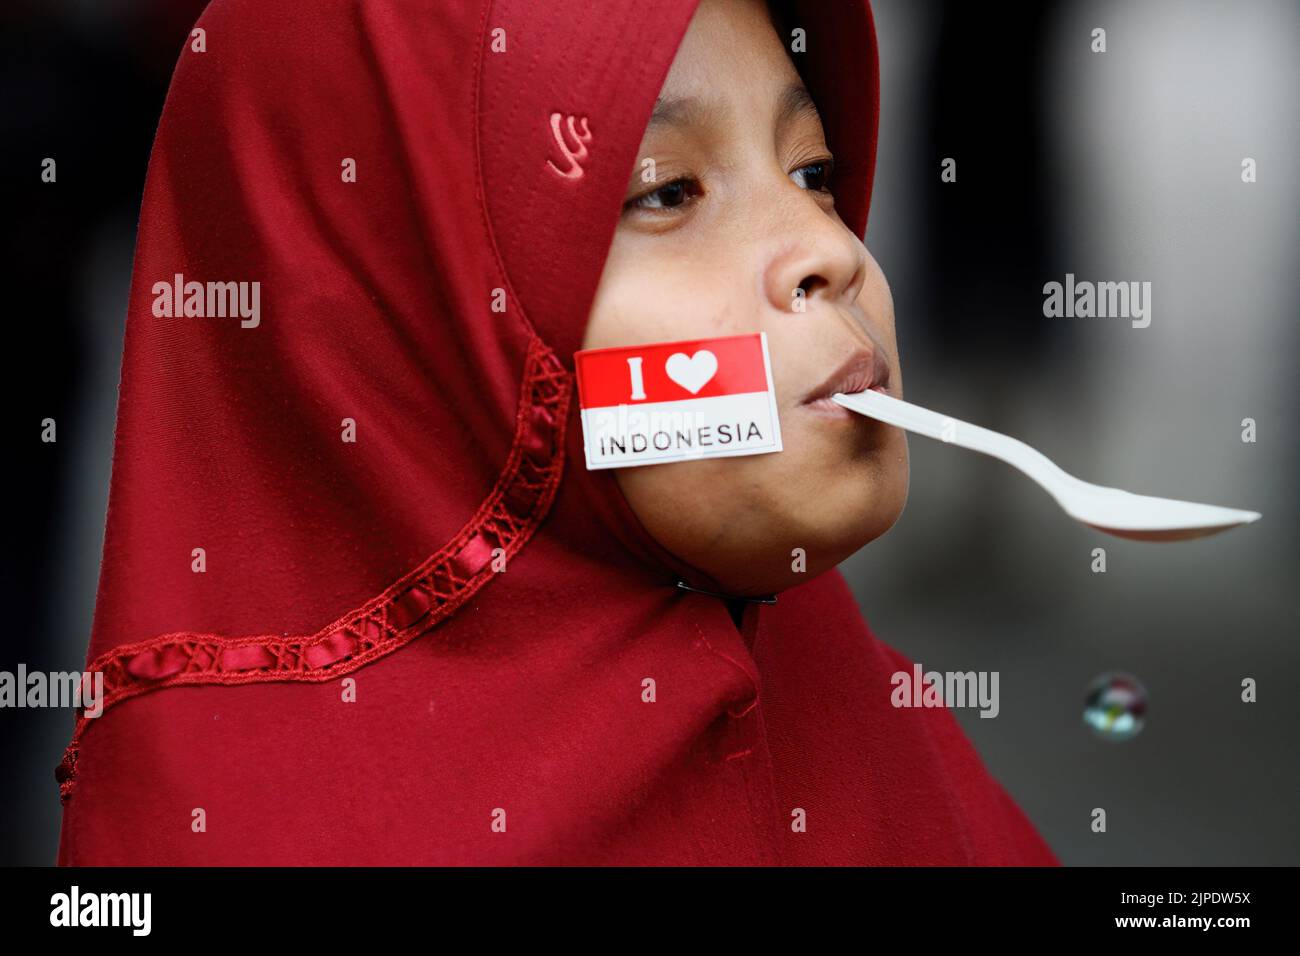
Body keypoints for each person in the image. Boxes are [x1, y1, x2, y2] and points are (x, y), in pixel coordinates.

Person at [56, 0, 1060, 866]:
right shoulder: (229, 827)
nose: (827, 253)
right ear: (401, 319)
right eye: (668, 192)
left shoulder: (867, 716)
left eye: (812, 170)